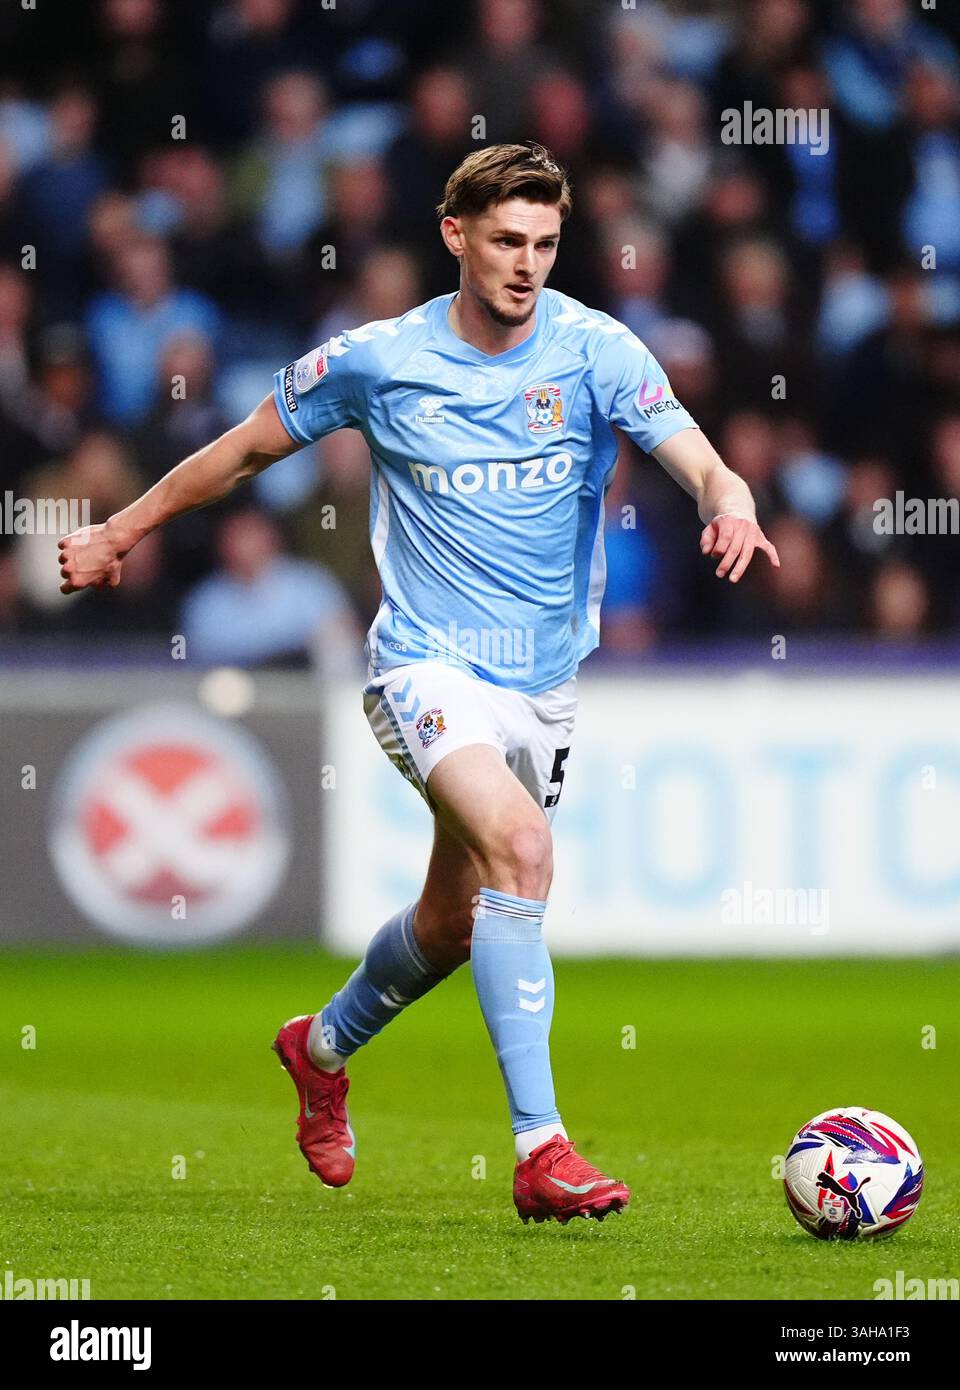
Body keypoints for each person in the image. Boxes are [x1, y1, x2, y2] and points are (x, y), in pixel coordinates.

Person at [58, 143, 780, 1224]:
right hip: (425, 664)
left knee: (454, 920)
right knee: (524, 850)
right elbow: (245, 451)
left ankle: (322, 1045)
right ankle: (542, 1150)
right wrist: (121, 527)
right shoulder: (376, 360)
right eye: (505, 241)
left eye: (544, 243)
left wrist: (732, 499)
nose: (527, 264)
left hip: (543, 682)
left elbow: (695, 453)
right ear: (456, 235)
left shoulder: (596, 349)